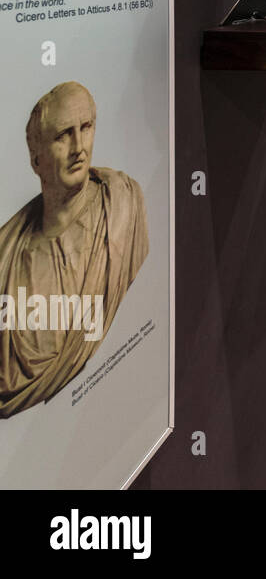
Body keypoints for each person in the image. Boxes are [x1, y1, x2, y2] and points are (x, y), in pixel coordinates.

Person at [0, 82, 148, 418]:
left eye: (86, 128)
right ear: (36, 159)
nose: (79, 147)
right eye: (63, 135)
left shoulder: (122, 206)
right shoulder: (6, 255)